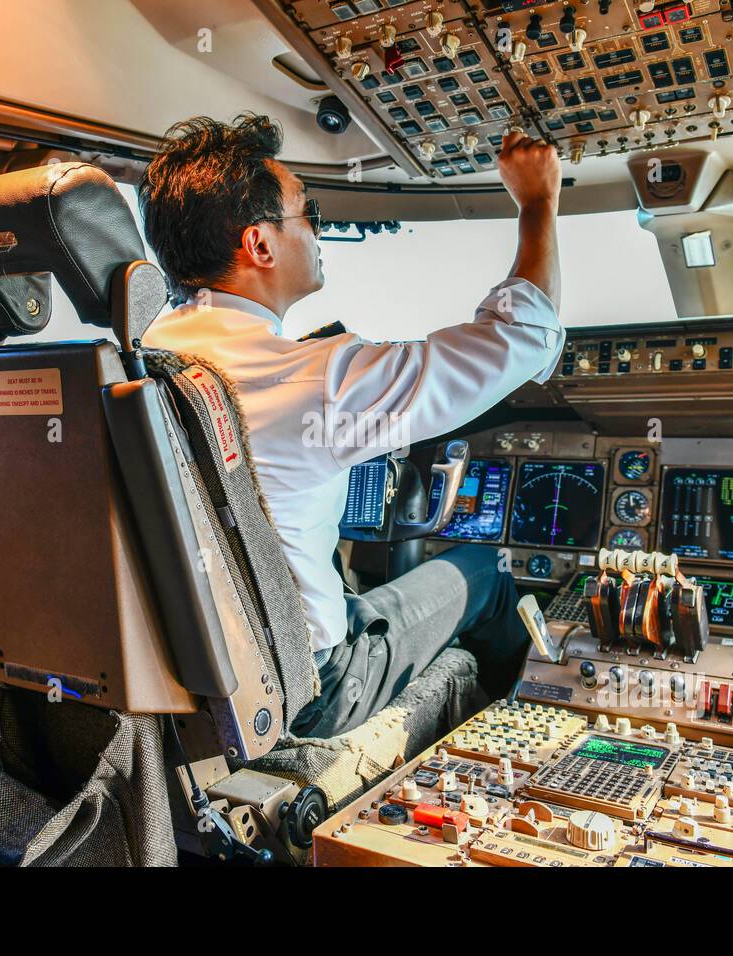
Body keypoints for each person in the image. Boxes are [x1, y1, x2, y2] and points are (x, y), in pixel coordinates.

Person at [140, 114, 564, 737]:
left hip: (182, 685)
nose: (319, 229)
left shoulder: (139, 360)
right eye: (305, 212)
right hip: (308, 690)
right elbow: (524, 338)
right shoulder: (310, 378)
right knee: (485, 567)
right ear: (259, 245)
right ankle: (511, 738)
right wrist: (538, 203)